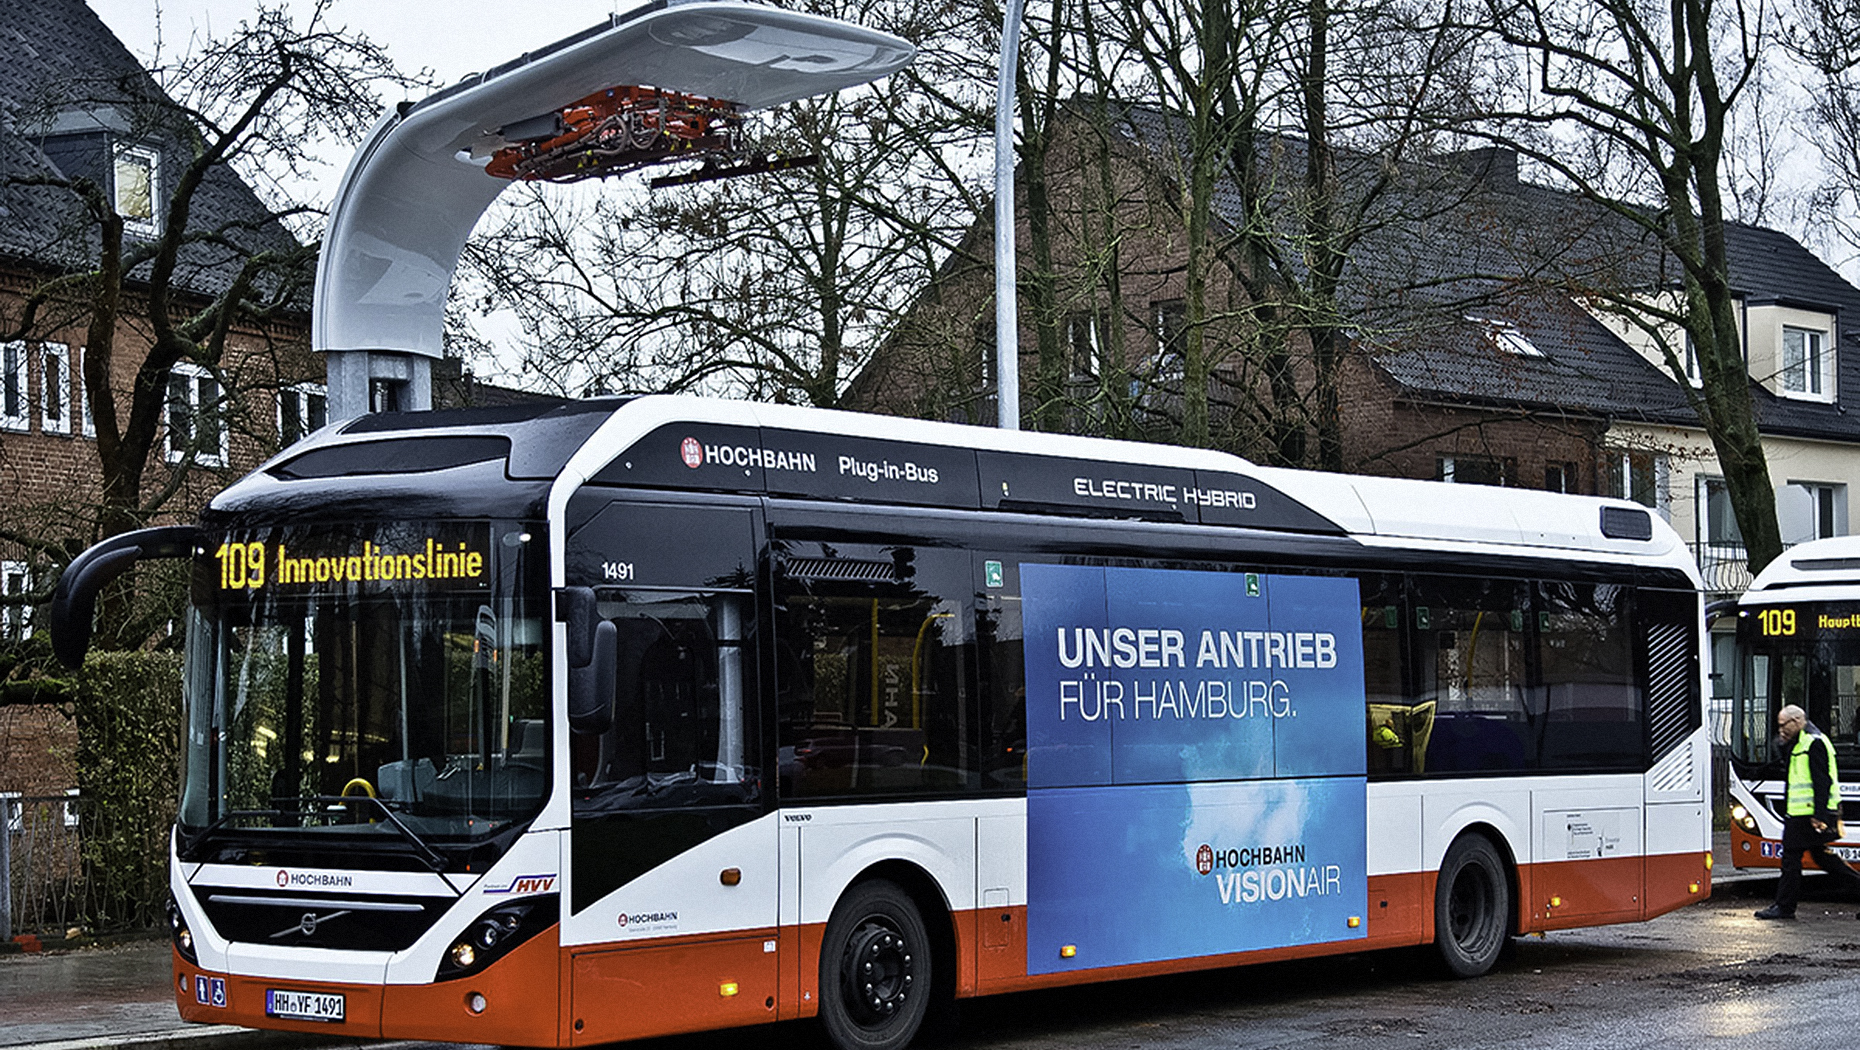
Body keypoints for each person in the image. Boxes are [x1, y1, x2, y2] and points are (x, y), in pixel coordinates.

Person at [1754, 704, 1860, 919]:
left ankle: (1784, 907)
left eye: (1784, 725)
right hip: (1801, 814)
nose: (1781, 729)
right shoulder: (1800, 742)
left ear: (1797, 721)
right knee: (1823, 859)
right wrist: (1782, 743)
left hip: (1809, 815)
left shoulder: (1814, 743)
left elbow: (1823, 782)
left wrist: (1819, 815)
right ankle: (1784, 906)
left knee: (1792, 860)